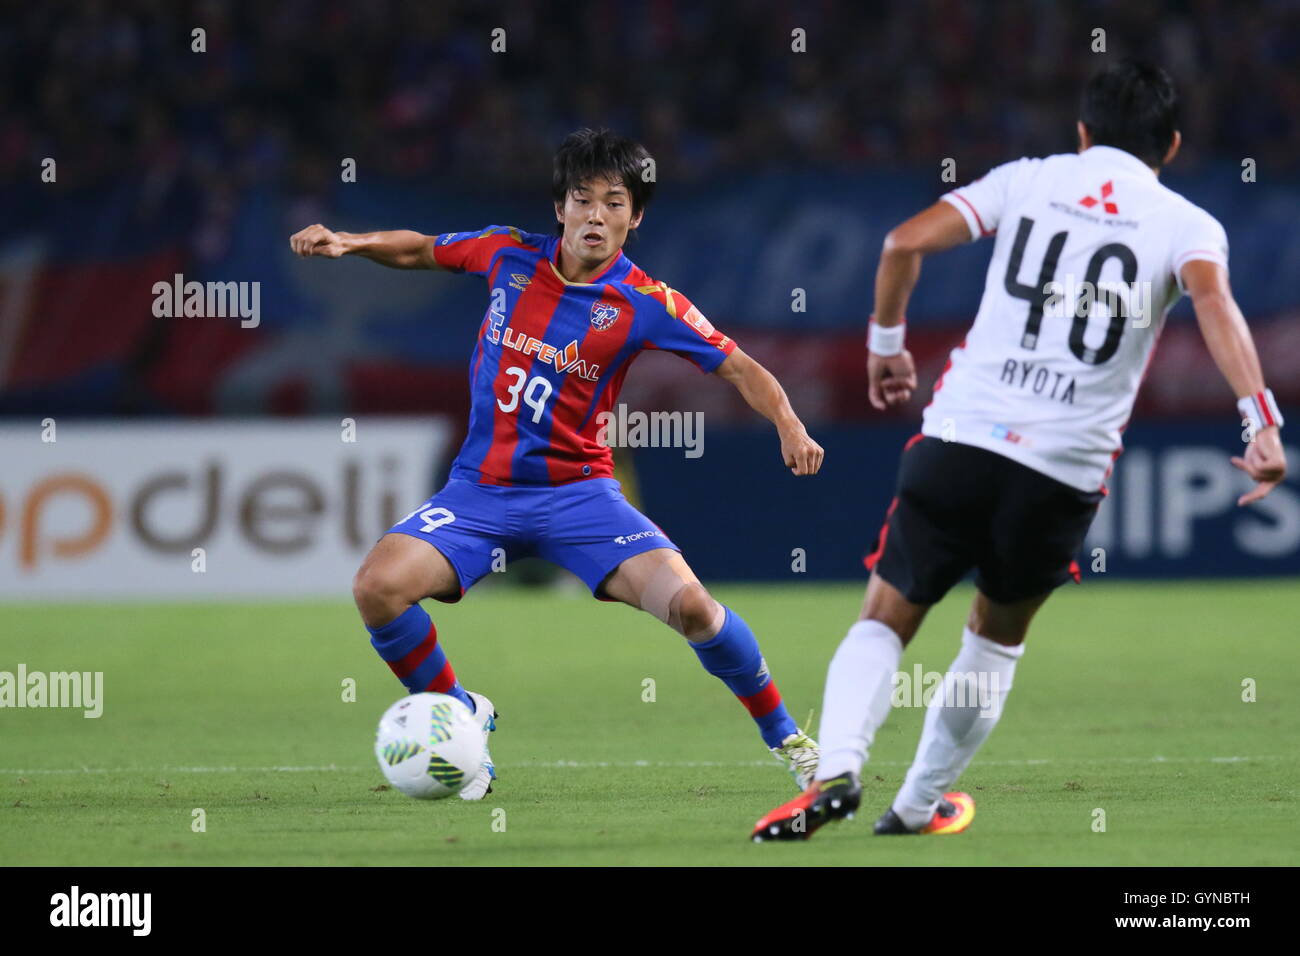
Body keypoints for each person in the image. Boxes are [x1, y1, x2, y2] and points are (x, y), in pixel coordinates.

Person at [752, 60, 1287, 841]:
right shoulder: (1188, 225)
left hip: (964, 434)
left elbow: (903, 243)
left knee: (887, 612)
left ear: (1082, 132)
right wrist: (1259, 421)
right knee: (996, 637)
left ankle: (837, 769)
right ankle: (914, 807)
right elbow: (1216, 305)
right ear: (1170, 145)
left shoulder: (1029, 179)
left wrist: (887, 344)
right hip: (1063, 469)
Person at [291, 128, 824, 800]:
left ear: (636, 218)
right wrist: (350, 242)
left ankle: (790, 742)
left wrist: (789, 423)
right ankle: (462, 716)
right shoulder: (508, 254)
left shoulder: (645, 303)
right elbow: (422, 249)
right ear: (560, 207)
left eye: (614, 202)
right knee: (377, 589)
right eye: (583, 199)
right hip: (480, 491)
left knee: (694, 609)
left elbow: (739, 364)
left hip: (581, 498)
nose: (596, 214)